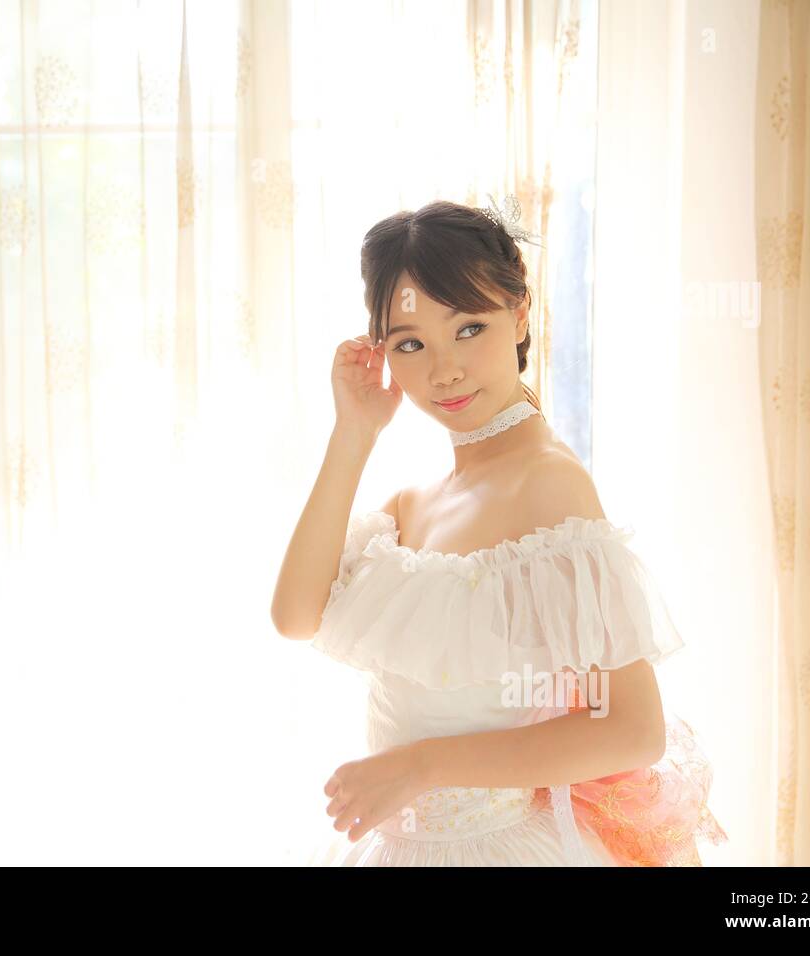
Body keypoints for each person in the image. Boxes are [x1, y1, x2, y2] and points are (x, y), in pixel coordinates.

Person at [270, 199, 726, 866]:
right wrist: (354, 433)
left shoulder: (549, 484)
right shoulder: (416, 501)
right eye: (410, 343)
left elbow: (633, 730)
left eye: (469, 329)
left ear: (519, 315)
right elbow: (294, 615)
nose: (443, 369)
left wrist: (423, 767)